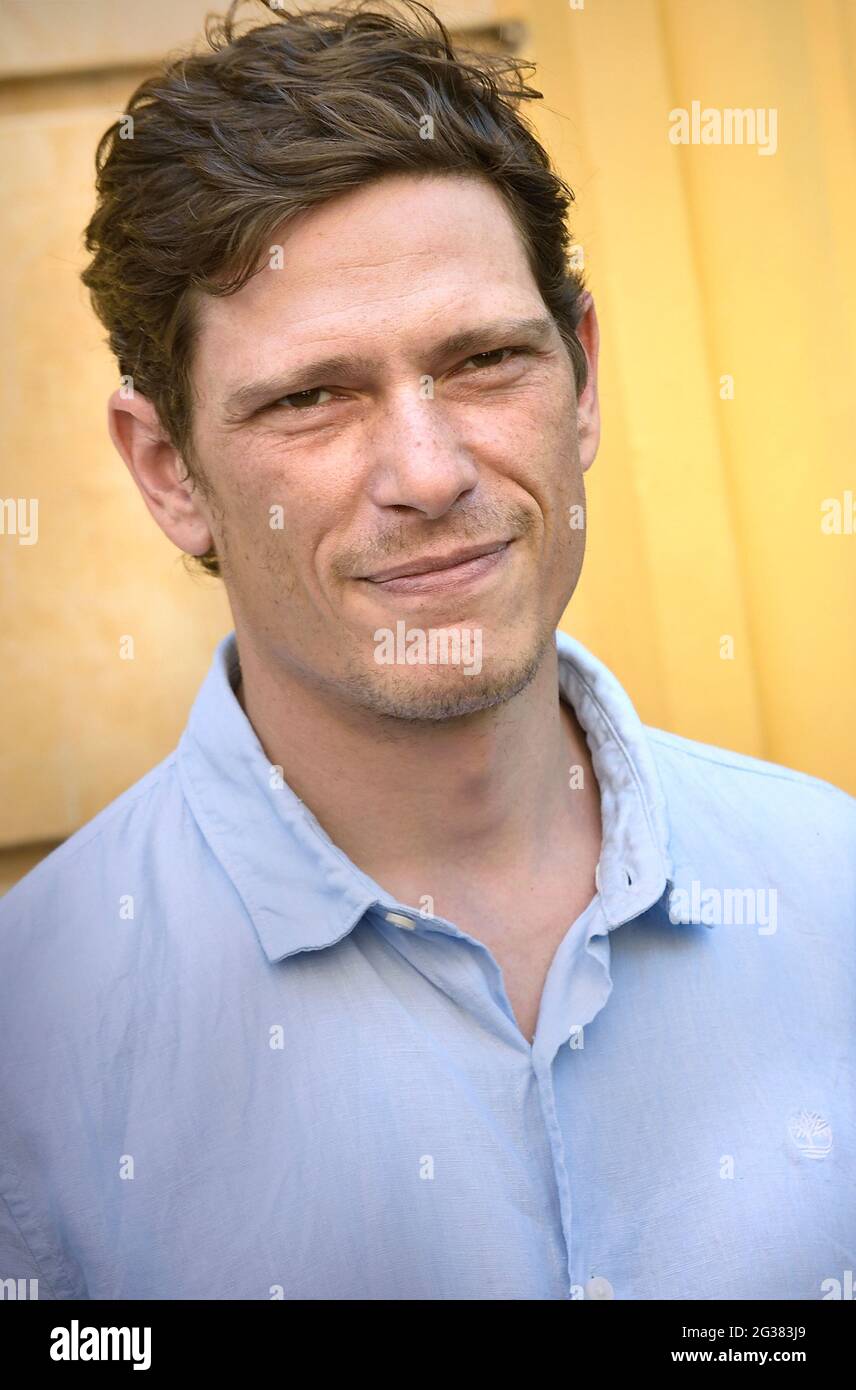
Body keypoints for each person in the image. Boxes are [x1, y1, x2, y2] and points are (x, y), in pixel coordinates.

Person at [1, 0, 853, 1301]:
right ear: (169, 469)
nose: (429, 469)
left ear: (582, 379)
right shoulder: (33, 1046)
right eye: (312, 396)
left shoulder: (833, 889)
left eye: (484, 360)